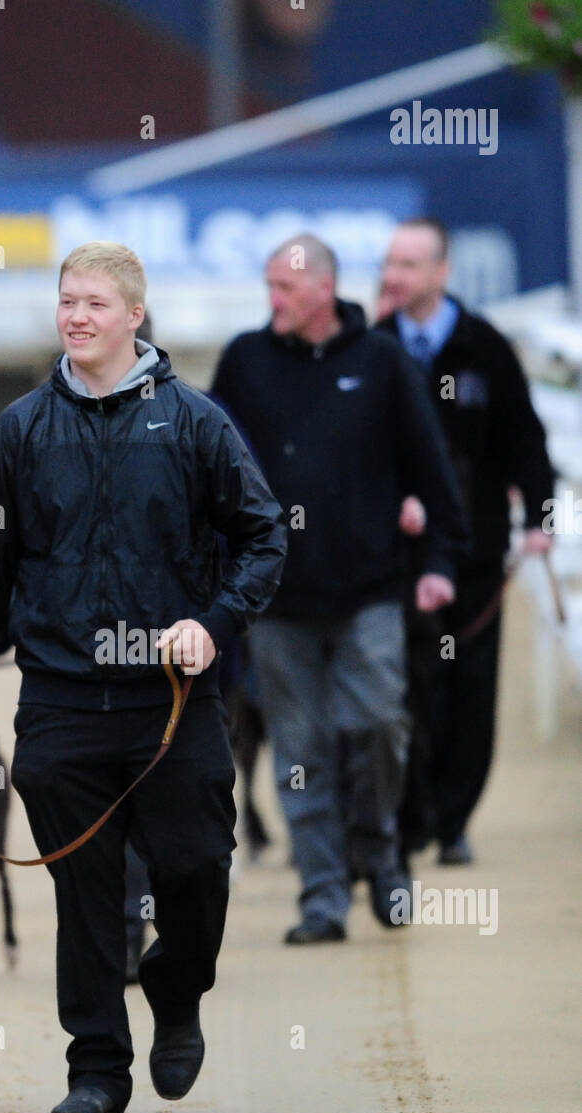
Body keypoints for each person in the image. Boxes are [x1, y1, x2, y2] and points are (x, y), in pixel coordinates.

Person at [0, 241, 286, 1113]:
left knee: (196, 866)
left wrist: (213, 622)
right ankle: (96, 1069)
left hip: (171, 699)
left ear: (134, 317)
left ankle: (175, 987)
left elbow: (266, 537)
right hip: (58, 699)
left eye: (95, 303)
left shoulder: (197, 424)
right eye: (66, 301)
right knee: (84, 889)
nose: (77, 316)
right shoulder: (22, 430)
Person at [210, 233, 467, 944]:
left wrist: (442, 561)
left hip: (371, 589)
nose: (273, 302)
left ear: (323, 288)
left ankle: (381, 856)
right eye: (267, 288)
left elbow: (431, 466)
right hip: (274, 599)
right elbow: (206, 466)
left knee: (380, 724)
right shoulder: (245, 360)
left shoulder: (381, 361)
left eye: (283, 288)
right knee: (300, 751)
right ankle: (322, 895)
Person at [377, 218, 555, 864]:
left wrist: (542, 522)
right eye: (390, 264)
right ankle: (405, 818)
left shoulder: (486, 349)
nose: (394, 277)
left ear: (441, 272)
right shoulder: (374, 348)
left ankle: (451, 821)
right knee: (407, 689)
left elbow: (527, 442)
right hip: (399, 561)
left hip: (477, 554)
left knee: (469, 688)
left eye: (408, 265)